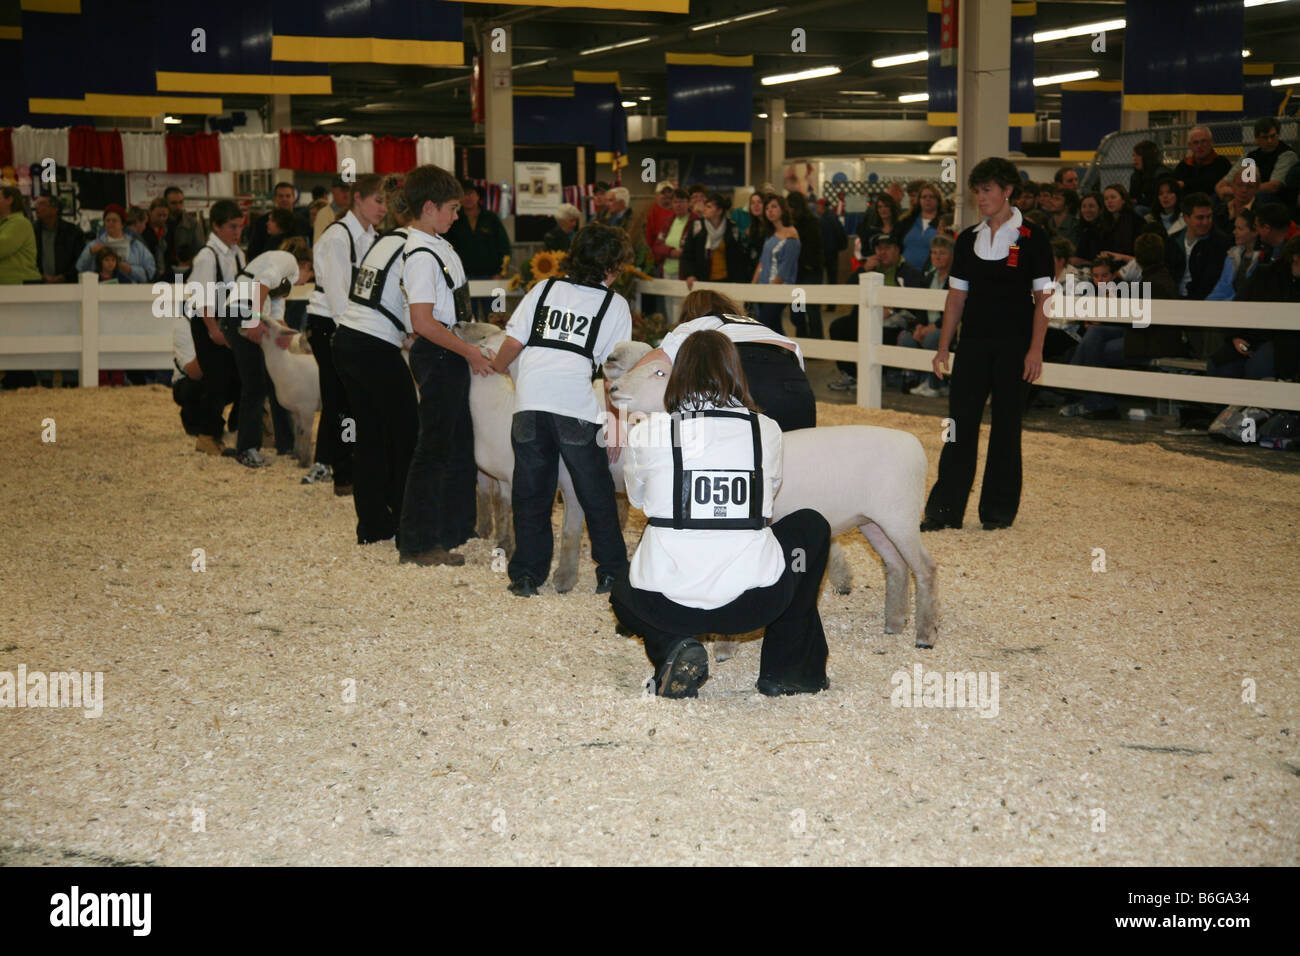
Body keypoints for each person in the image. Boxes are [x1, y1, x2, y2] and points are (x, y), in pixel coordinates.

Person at [609, 331, 831, 699]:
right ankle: (789, 671)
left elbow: (639, 500)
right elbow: (768, 498)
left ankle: (672, 646)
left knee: (622, 588)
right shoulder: (768, 429)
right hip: (754, 603)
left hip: (666, 605)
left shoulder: (650, 430)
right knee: (811, 525)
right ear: (736, 373)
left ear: (678, 374)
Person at [488, 223, 631, 596]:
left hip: (530, 405)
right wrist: (615, 423)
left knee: (531, 492)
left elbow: (513, 341)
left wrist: (497, 369)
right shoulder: (613, 304)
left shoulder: (544, 288)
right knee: (595, 492)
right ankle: (613, 573)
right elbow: (614, 370)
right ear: (612, 266)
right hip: (575, 408)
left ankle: (525, 575)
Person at [922, 157, 1053, 532]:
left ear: (1007, 191)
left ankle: (997, 513)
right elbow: (956, 299)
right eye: (977, 191)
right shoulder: (966, 240)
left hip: (1015, 347)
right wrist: (944, 346)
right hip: (973, 347)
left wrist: (1036, 349)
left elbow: (1045, 297)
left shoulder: (1033, 238)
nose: (981, 198)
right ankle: (944, 511)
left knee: (1006, 428)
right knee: (958, 425)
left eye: (987, 190)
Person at [397, 166, 495, 565]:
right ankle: (417, 543)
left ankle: (454, 529)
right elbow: (423, 322)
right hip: (440, 355)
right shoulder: (420, 254)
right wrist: (469, 351)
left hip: (449, 350)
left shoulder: (438, 244)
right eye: (452, 208)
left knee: (458, 444)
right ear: (429, 207)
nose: (458, 216)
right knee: (433, 449)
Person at [301, 173, 385, 493]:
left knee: (350, 399)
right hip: (331, 324)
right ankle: (343, 474)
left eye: (385, 202)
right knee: (339, 400)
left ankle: (348, 465)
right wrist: (354, 335)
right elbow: (337, 296)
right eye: (377, 201)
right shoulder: (338, 237)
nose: (383, 208)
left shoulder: (371, 237)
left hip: (354, 323)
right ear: (357, 199)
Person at [633, 289, 815, 431]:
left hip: (739, 376)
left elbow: (639, 373)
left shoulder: (696, 326)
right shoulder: (759, 327)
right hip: (795, 388)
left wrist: (617, 416)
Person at [222, 238, 315, 467]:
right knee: (255, 385)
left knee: (271, 382)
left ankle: (286, 444)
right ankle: (247, 449)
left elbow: (276, 312)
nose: (305, 281)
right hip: (242, 314)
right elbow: (261, 285)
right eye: (309, 276)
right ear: (306, 265)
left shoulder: (286, 276)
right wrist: (253, 321)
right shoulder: (287, 261)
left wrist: (284, 335)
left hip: (250, 314)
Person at [827, 232, 924, 390]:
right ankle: (851, 375)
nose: (882, 252)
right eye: (879, 248)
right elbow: (847, 291)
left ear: (898, 250)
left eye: (888, 248)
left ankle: (874, 377)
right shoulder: (870, 269)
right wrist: (863, 269)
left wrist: (892, 310)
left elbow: (916, 303)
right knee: (838, 327)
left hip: (895, 323)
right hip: (866, 318)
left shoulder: (910, 272)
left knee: (882, 335)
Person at [186, 199, 246, 456]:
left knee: (240, 377)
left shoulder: (238, 254)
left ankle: (232, 426)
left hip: (231, 322)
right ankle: (207, 436)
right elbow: (200, 298)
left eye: (240, 227)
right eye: (232, 227)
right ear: (216, 227)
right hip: (208, 322)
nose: (237, 232)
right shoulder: (206, 257)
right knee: (217, 380)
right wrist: (213, 329)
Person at [445, 179, 511, 320]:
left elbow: (504, 247)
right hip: (463, 279)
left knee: (498, 318)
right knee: (467, 320)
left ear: (478, 196)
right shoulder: (453, 220)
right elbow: (446, 249)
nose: (468, 198)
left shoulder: (491, 218)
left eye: (471, 194)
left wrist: (500, 272)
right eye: (464, 195)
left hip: (493, 278)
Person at [902, 234, 956, 398]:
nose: (937, 257)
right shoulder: (928, 277)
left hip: (948, 327)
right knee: (907, 338)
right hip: (928, 325)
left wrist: (934, 327)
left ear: (952, 256)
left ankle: (937, 384)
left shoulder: (955, 279)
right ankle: (921, 379)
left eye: (942, 253)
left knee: (933, 338)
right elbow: (921, 307)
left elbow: (955, 309)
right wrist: (919, 326)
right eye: (933, 253)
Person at [1165, 192, 1231, 301]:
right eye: (1200, 218)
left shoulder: (1220, 243)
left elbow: (1211, 281)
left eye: (1209, 217)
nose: (1206, 222)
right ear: (1186, 218)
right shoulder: (1172, 241)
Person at [1216, 116, 1297, 203]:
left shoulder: (1287, 154)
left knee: (1259, 197)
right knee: (1215, 199)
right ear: (1256, 138)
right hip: (1248, 195)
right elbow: (1223, 183)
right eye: (1265, 137)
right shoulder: (1249, 157)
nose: (1270, 141)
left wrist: (1239, 191)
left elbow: (1274, 186)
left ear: (1278, 135)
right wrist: (1220, 190)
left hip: (1275, 200)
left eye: (1273, 136)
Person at [681, 191, 752, 288]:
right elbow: (687, 254)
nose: (704, 209)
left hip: (727, 281)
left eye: (709, 207)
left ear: (719, 211)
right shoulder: (697, 226)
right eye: (705, 206)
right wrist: (690, 274)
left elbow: (739, 259)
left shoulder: (732, 228)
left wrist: (739, 282)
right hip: (702, 280)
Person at [752, 194, 801, 335]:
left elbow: (785, 270)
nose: (770, 211)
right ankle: (786, 355)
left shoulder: (791, 235)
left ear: (783, 209)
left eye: (774, 206)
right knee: (774, 328)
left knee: (764, 324)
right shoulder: (771, 235)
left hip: (778, 290)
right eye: (767, 208)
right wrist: (751, 286)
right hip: (763, 288)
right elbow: (762, 262)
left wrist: (770, 290)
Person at [75, 204, 154, 283]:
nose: (110, 223)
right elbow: (79, 269)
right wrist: (90, 253)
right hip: (100, 290)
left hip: (130, 291)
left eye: (114, 220)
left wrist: (131, 270)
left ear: (122, 224)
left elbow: (150, 271)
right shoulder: (93, 245)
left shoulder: (136, 245)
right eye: (108, 220)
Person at [786, 190, 824, 337]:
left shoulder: (811, 223)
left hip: (810, 272)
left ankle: (816, 342)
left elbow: (813, 249)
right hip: (799, 274)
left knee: (812, 309)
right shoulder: (792, 223)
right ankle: (804, 341)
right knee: (797, 312)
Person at [32, 194, 84, 283]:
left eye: (41, 204)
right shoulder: (32, 231)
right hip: (38, 284)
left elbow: (80, 258)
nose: (36, 207)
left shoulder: (72, 232)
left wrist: (65, 276)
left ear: (55, 209)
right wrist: (39, 275)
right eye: (36, 204)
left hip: (68, 285)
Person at [1174, 126, 1231, 199]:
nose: (1199, 146)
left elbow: (1210, 185)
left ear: (1211, 142)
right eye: (1195, 142)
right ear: (1190, 146)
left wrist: (1185, 184)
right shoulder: (1184, 164)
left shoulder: (1222, 164)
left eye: (1203, 141)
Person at [898, 181, 942, 272]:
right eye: (924, 197)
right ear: (919, 200)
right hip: (904, 272)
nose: (927, 199)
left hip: (931, 273)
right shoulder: (907, 221)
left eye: (932, 197)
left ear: (938, 200)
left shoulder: (943, 223)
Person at [651, 188, 692, 279]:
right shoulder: (668, 221)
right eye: (675, 202)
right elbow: (657, 246)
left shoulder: (694, 221)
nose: (678, 205)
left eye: (681, 202)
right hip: (666, 271)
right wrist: (671, 252)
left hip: (686, 273)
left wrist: (682, 253)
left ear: (689, 203)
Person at [162, 187, 204, 275]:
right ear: (165, 203)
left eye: (181, 202)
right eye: (173, 203)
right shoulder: (161, 222)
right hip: (163, 270)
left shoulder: (193, 224)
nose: (178, 206)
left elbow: (200, 252)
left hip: (185, 271)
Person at [1097, 183, 1143, 259]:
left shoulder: (1136, 221)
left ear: (1123, 200)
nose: (1109, 201)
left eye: (1113, 197)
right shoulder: (1102, 221)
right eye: (1106, 198)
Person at [1213, 164, 1259, 236]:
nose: (1244, 190)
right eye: (1240, 185)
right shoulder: (1219, 210)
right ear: (1232, 185)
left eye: (1250, 186)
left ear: (1257, 189)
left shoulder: (1259, 215)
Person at [1128, 140, 1170, 214]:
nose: (1134, 158)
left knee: (1138, 210)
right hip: (1141, 206)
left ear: (1148, 157)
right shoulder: (1135, 176)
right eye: (1134, 155)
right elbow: (1133, 197)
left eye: (1138, 155)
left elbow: (1156, 201)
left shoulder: (1162, 174)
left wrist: (1136, 201)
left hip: (1158, 210)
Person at [313, 176, 353, 243]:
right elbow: (319, 243)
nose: (347, 194)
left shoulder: (357, 213)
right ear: (333, 191)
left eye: (349, 190)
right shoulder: (323, 214)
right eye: (343, 190)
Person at [1071, 192, 1104, 265]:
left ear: (1100, 209)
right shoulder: (1082, 229)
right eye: (1084, 206)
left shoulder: (1105, 231)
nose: (1087, 210)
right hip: (1079, 271)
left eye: (1091, 206)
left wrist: (1083, 262)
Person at [644, 182, 677, 250]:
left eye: (669, 192)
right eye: (663, 193)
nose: (667, 195)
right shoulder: (651, 212)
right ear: (657, 195)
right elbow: (649, 236)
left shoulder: (679, 210)